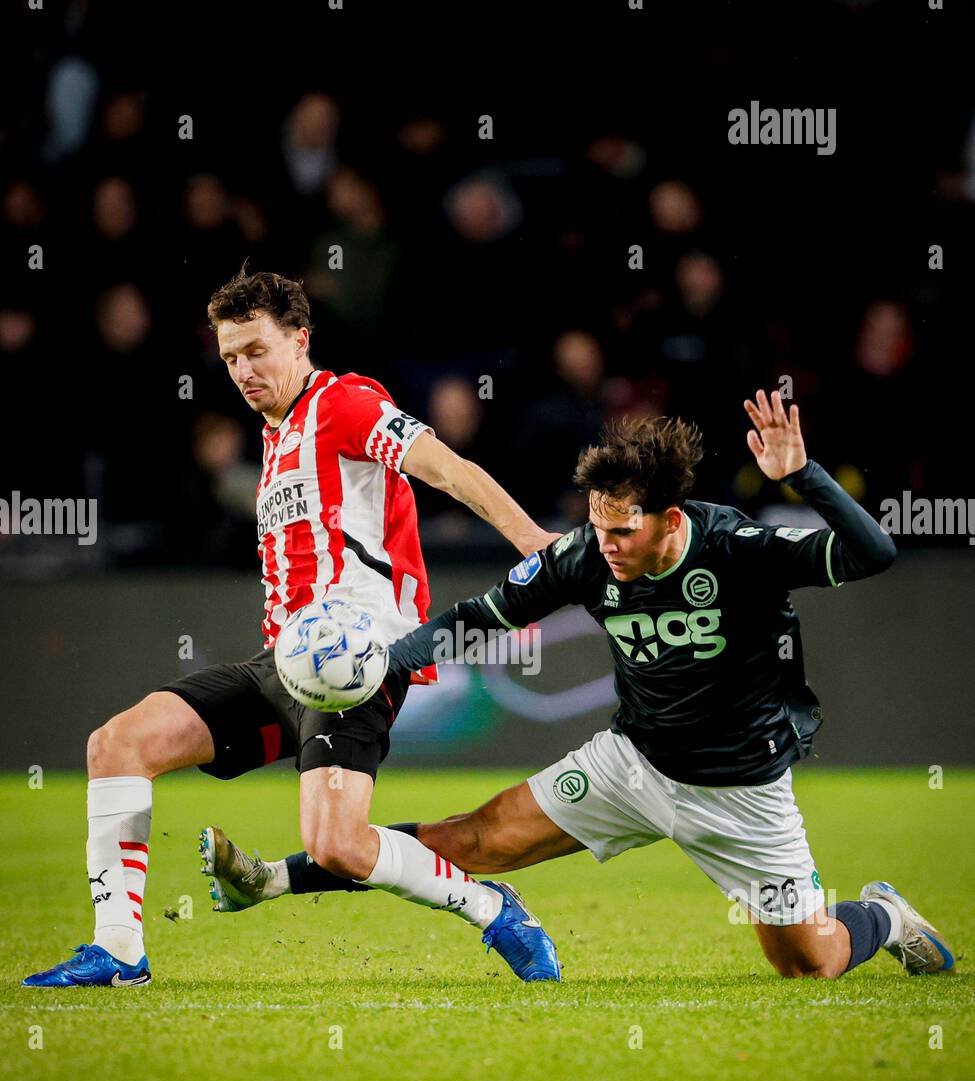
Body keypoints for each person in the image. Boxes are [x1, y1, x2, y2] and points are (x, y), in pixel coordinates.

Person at [206, 391, 955, 980]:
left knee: (807, 961)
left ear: (670, 519)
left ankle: (882, 917)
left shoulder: (736, 547)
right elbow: (479, 616)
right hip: (629, 765)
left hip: (741, 789)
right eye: (597, 528)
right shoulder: (588, 556)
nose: (607, 547)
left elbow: (872, 553)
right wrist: (385, 664)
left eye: (623, 532)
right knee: (471, 840)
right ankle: (275, 878)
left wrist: (801, 476)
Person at [23, 269, 561, 989]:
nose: (243, 371)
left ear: (299, 339)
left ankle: (492, 906)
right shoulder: (275, 439)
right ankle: (119, 951)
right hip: (282, 663)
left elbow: (445, 468)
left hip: (357, 662)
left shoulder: (344, 403)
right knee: (118, 744)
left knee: (338, 845)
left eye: (256, 350)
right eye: (230, 358)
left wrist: (533, 542)